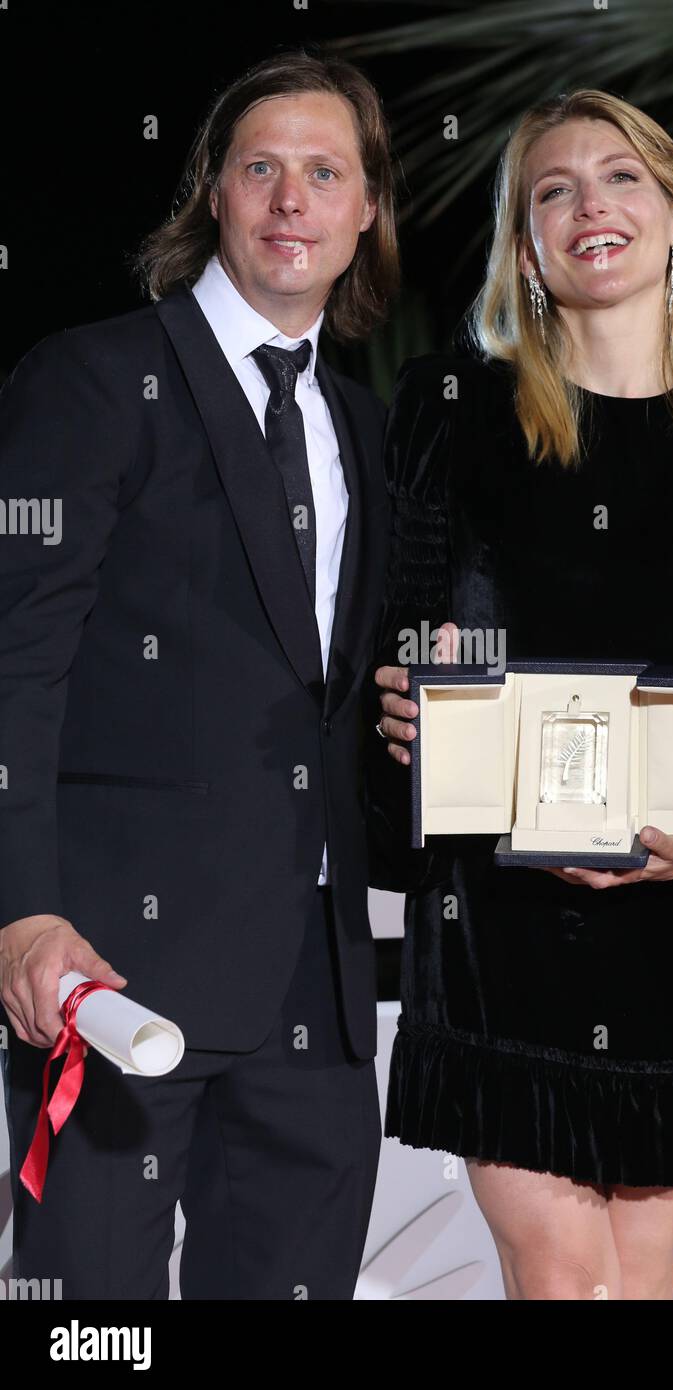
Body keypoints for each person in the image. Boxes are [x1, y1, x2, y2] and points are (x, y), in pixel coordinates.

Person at [366, 89, 673, 1301]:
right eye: (554, 189)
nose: (592, 206)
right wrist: (400, 709)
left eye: (623, 178)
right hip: (501, 942)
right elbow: (401, 643)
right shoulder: (453, 418)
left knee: (639, 1288)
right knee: (567, 1282)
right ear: (524, 247)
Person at [0, 48, 397, 1300]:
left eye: (325, 172)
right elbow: (17, 656)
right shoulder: (94, 378)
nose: (293, 199)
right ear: (213, 194)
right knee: (95, 1325)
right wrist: (19, 908)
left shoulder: (364, 421)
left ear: (365, 209)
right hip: (119, 967)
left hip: (320, 991)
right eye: (261, 168)